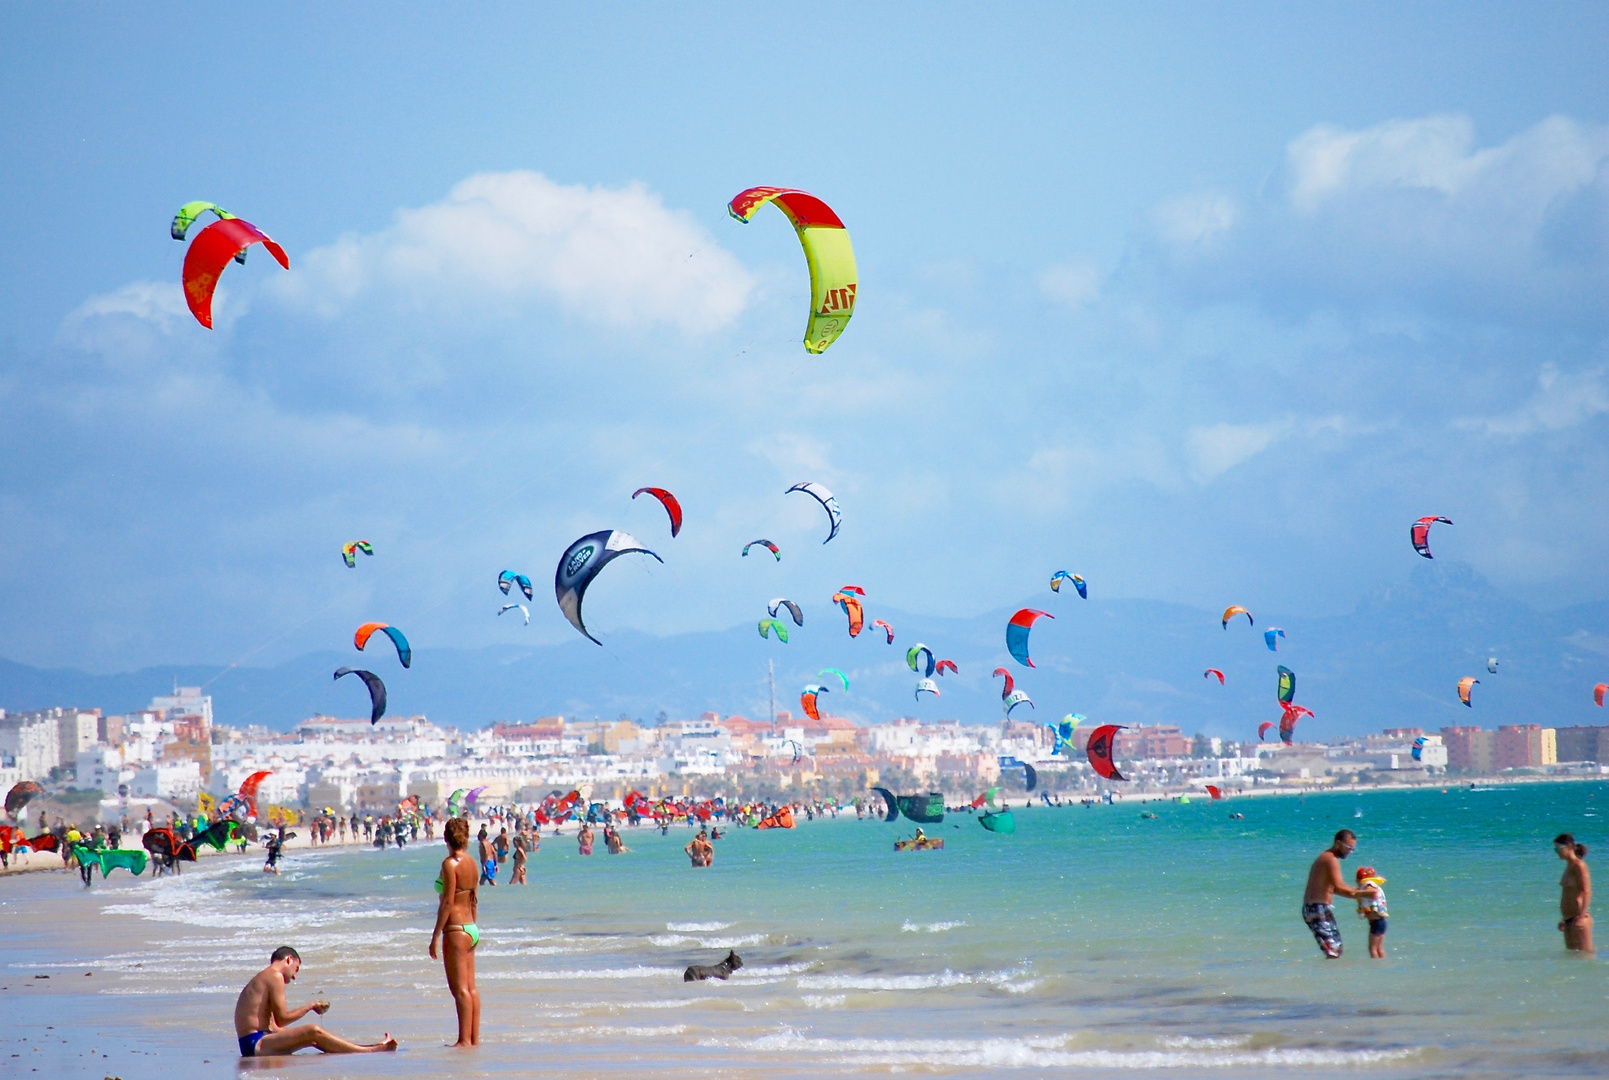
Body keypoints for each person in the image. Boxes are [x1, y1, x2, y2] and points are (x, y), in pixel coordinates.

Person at [233, 946, 395, 1058]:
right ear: (289, 959)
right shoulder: (274, 976)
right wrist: (310, 1006)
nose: (295, 976)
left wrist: (310, 1035)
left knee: (312, 1036)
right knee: (312, 1030)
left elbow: (275, 1027)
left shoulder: (264, 978)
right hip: (255, 1043)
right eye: (296, 969)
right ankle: (372, 1050)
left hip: (255, 1041)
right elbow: (282, 1018)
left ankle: (366, 1048)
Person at [430, 818, 481, 1047]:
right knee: (471, 989)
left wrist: (435, 935)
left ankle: (463, 1040)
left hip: (456, 928)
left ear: (446, 838)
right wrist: (473, 929)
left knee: (459, 990)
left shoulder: (450, 864)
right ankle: (473, 1039)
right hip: (471, 928)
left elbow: (448, 903)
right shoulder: (472, 863)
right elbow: (473, 900)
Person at [1302, 829, 1374, 959]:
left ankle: (1329, 977)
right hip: (1317, 908)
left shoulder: (1327, 858)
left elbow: (1334, 889)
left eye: (1352, 849)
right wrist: (1366, 894)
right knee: (1333, 951)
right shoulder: (1331, 859)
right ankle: (1325, 978)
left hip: (1317, 908)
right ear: (1337, 843)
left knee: (1336, 949)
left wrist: (1360, 895)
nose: (1350, 852)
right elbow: (1340, 887)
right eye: (1348, 847)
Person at [1555, 833, 1594, 954]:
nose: (1557, 852)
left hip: (1579, 919)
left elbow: (1587, 891)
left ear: (1569, 847)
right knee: (1572, 959)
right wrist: (1563, 919)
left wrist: (1582, 917)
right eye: (1555, 849)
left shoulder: (1579, 865)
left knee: (1586, 957)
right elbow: (1567, 894)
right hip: (1568, 920)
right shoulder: (1568, 866)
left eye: (1558, 848)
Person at [1353, 865, 1389, 958]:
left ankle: (1376, 969)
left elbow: (1373, 893)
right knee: (1379, 948)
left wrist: (1356, 893)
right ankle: (1382, 967)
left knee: (1372, 948)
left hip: (1376, 922)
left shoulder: (1368, 885)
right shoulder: (1372, 885)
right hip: (1381, 922)